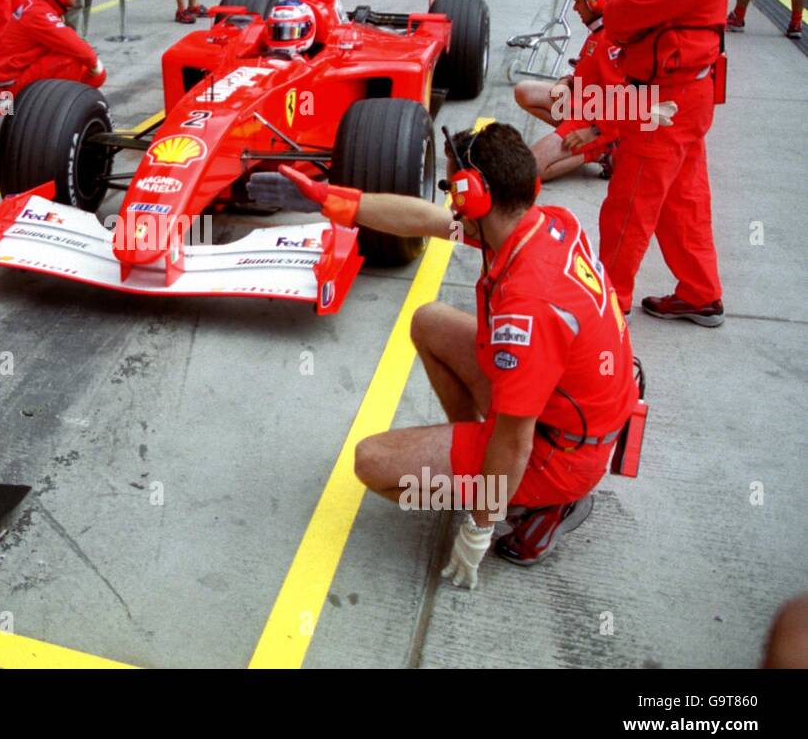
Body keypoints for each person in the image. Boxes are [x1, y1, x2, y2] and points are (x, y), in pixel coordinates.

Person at [248, 124, 638, 583]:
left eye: (454, 190)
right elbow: (423, 220)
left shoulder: (527, 311)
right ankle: (478, 468)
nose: (450, 202)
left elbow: (515, 441)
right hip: (572, 411)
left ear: (477, 199)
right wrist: (330, 200)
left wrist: (479, 528)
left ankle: (533, 502)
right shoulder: (542, 223)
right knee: (430, 321)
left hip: (556, 452)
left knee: (373, 464)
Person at [598, 0, 727, 325]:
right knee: (683, 204)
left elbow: (618, 17)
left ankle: (608, 306)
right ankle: (700, 292)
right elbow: (626, 3)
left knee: (627, 207)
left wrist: (618, 9)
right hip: (685, 95)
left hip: (662, 102)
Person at [515, 0, 623, 182]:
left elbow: (624, 96)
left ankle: (601, 151)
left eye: (578, 1)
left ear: (595, 1)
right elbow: (585, 71)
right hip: (581, 105)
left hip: (595, 122)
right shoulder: (598, 34)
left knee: (527, 172)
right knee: (524, 91)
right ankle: (585, 145)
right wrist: (565, 81)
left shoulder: (611, 40)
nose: (575, 8)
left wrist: (594, 132)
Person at [0, 0, 106, 98]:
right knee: (74, 59)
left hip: (8, 81)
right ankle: (74, 104)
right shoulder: (40, 14)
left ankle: (16, 112)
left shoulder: (38, 4)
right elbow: (76, 46)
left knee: (72, 55)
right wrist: (97, 68)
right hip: (9, 87)